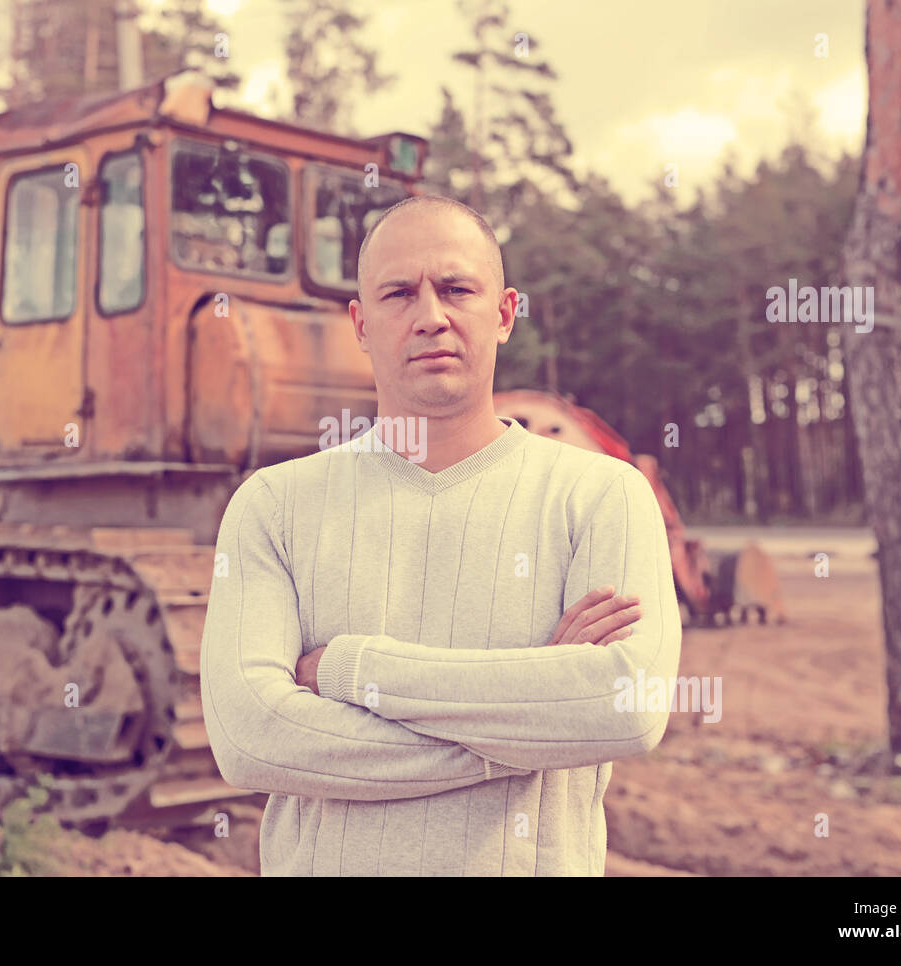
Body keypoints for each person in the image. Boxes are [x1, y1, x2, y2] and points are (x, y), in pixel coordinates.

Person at [199, 194, 682, 876]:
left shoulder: (603, 495)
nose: (431, 317)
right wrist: (532, 720)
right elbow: (253, 739)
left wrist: (347, 671)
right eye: (399, 294)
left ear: (505, 313)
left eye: (456, 289)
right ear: (361, 325)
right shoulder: (274, 506)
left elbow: (624, 707)